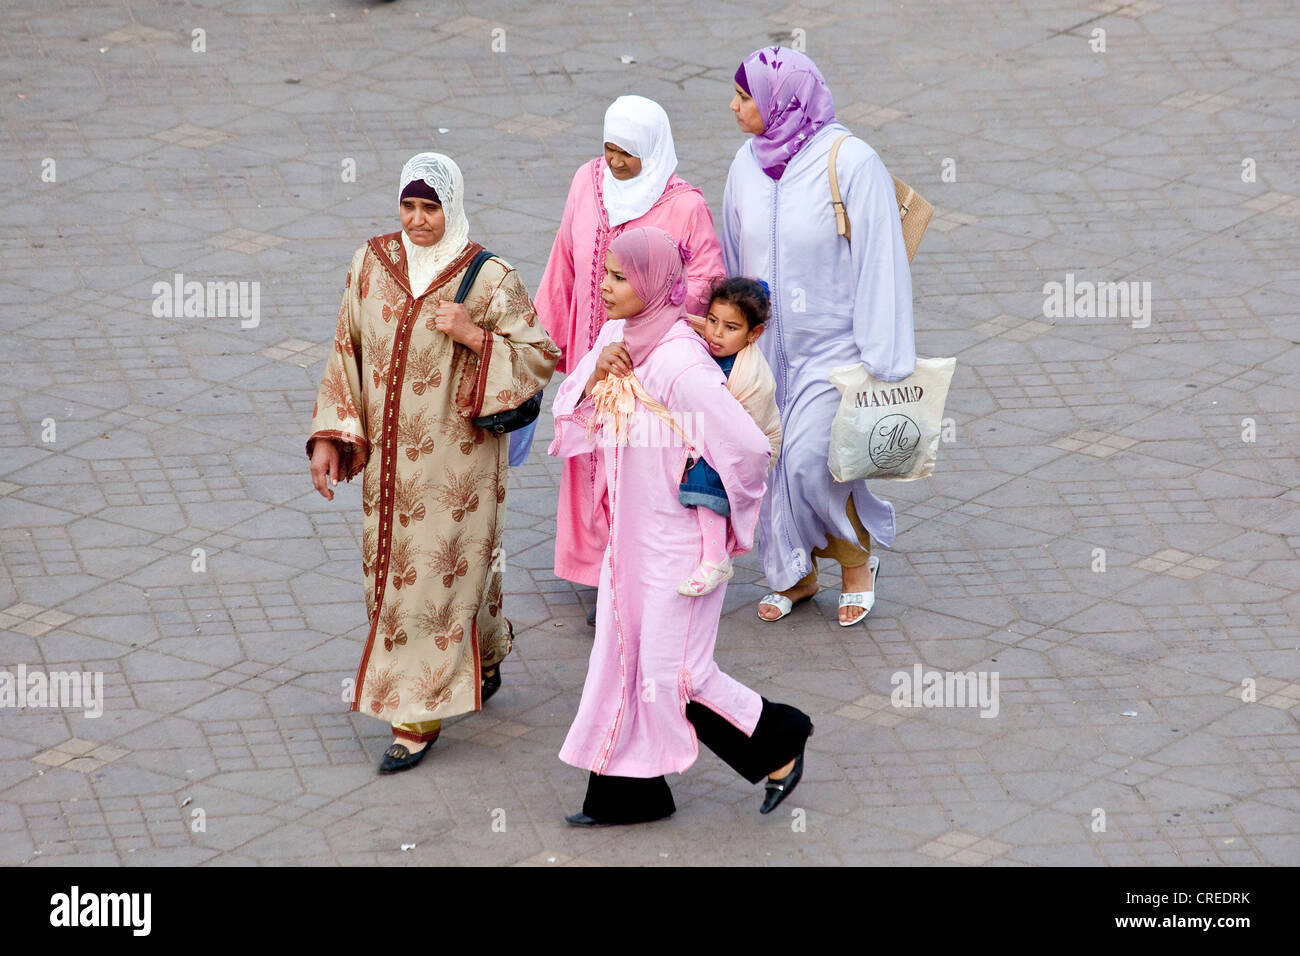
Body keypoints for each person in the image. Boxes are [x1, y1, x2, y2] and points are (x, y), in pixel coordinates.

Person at [549, 226, 813, 826]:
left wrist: (723, 520)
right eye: (607, 272)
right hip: (628, 544)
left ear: (651, 284)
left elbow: (747, 450)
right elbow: (571, 417)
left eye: (619, 276)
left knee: (677, 674)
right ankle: (629, 796)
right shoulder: (619, 336)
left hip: (677, 549)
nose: (605, 284)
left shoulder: (679, 364)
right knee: (623, 662)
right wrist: (596, 376)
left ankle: (780, 736)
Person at [307, 152, 560, 773]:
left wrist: (475, 336)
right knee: (409, 570)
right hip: (388, 474)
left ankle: (415, 713)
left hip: (458, 469)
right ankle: (487, 650)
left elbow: (539, 356)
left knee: (431, 578)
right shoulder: (371, 264)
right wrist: (330, 438)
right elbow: (348, 350)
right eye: (409, 206)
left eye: (431, 207)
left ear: (452, 206)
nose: (418, 220)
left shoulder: (491, 278)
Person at [722, 47, 916, 627]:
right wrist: (731, 335)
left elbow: (881, 260)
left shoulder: (850, 160)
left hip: (833, 350)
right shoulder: (745, 165)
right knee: (768, 462)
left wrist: (883, 357)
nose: (734, 108)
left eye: (745, 97)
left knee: (811, 460)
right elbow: (735, 253)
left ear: (784, 101)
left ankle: (856, 563)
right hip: (764, 349)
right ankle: (795, 572)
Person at [535, 95, 725, 609]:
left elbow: (707, 280)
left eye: (628, 153)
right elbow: (564, 263)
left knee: (639, 464)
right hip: (592, 356)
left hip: (649, 363)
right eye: (609, 149)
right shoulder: (587, 181)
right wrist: (537, 344)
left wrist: (651, 310)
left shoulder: (686, 206)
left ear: (653, 149)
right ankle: (600, 571)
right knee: (589, 455)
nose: (615, 162)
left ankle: (631, 576)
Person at [677, 277, 782, 597]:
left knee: (705, 471)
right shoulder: (693, 341)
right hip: (706, 432)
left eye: (731, 327)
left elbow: (743, 435)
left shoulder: (752, 377)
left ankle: (715, 558)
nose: (716, 333)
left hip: (748, 444)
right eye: (712, 320)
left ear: (754, 334)